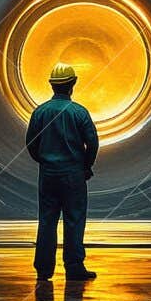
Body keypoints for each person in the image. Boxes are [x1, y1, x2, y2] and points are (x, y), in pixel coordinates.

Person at [24, 62, 98, 281]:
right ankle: (74, 267)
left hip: (48, 175)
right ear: (72, 83)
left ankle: (44, 269)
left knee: (47, 220)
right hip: (73, 175)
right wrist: (86, 166)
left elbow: (31, 144)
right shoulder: (79, 112)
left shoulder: (40, 112)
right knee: (74, 219)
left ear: (52, 85)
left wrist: (44, 161)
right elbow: (92, 143)